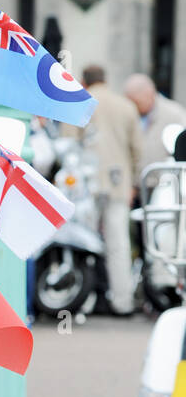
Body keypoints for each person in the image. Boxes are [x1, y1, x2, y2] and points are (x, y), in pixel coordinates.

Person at [68, 65, 142, 316]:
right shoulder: (126, 106)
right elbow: (137, 151)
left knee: (83, 241)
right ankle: (123, 302)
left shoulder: (80, 102)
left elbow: (69, 144)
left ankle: (87, 300)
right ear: (105, 79)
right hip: (118, 181)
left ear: (85, 81)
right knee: (118, 243)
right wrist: (133, 184)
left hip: (86, 183)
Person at [123, 72, 186, 174]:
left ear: (150, 94)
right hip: (137, 182)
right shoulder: (127, 114)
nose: (133, 107)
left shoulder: (174, 114)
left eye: (136, 102)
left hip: (164, 182)